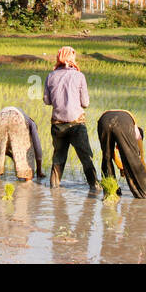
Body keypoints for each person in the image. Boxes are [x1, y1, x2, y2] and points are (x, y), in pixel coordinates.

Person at [43, 46, 97, 192]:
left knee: (58, 157)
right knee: (85, 157)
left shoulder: (51, 76)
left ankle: (54, 187)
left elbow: (47, 101)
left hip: (57, 124)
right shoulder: (79, 76)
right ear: (72, 58)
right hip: (76, 123)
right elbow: (85, 103)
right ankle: (94, 186)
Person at [97, 109, 146, 198]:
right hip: (123, 122)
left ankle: (110, 193)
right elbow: (137, 157)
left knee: (106, 158)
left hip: (104, 121)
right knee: (133, 160)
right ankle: (143, 194)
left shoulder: (130, 126)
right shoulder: (136, 132)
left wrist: (120, 166)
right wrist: (142, 162)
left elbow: (110, 153)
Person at [0, 106, 44, 182]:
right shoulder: (32, 123)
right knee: (28, 155)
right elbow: (37, 147)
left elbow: (0, 148)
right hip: (17, 119)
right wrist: (39, 170)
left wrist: (13, 156)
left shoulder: (23, 116)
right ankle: (28, 183)